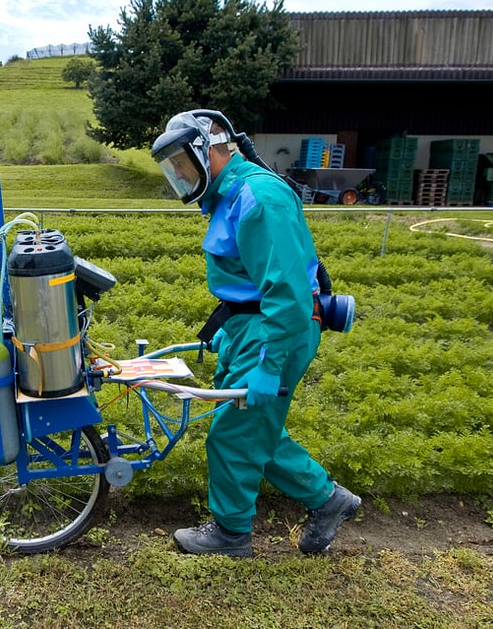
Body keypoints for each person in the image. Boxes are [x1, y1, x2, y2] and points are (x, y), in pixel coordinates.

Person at [150, 109, 360, 557]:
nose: (181, 175)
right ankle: (328, 500)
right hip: (251, 328)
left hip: (276, 332)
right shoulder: (231, 195)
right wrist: (232, 332)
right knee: (254, 431)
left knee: (232, 435)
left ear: (210, 151)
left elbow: (287, 295)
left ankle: (230, 535)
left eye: (183, 163)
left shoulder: (258, 198)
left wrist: (267, 364)